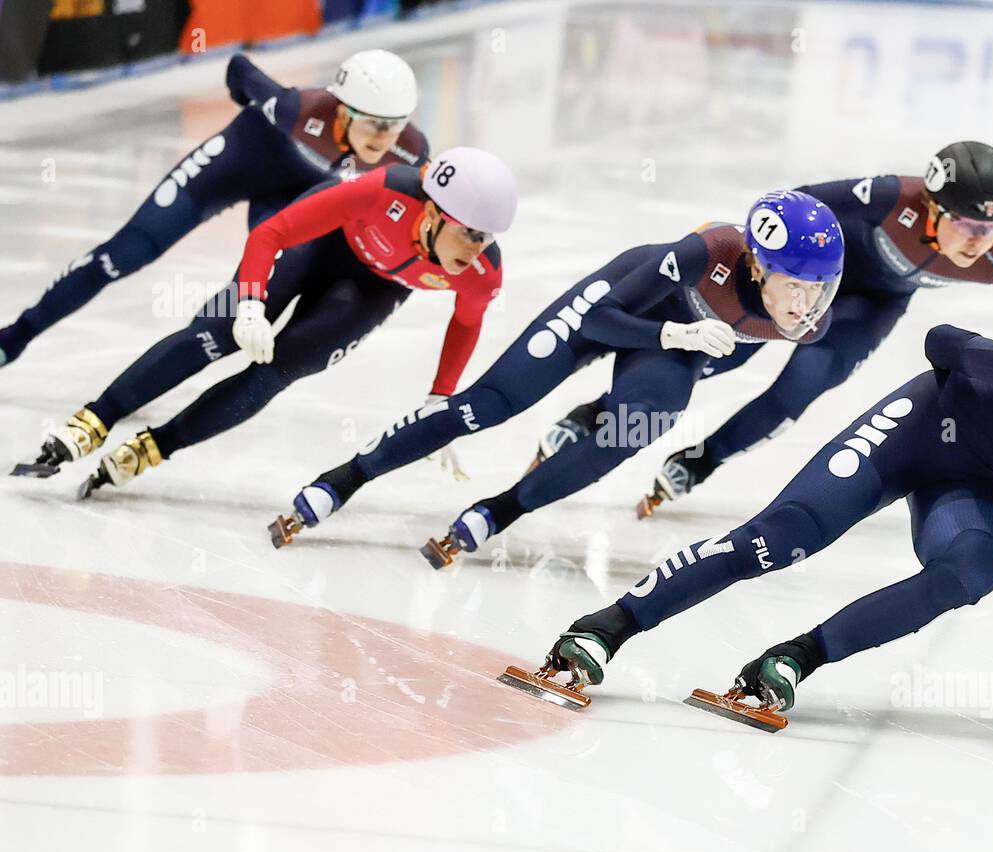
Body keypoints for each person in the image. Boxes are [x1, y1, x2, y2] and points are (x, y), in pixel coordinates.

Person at [511, 308, 993, 730]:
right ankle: (605, 628)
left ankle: (791, 660)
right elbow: (943, 342)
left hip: (980, 481)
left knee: (969, 573)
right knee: (781, 539)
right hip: (916, 431)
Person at [269, 190, 844, 558]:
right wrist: (675, 334)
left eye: (819, 289)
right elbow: (603, 317)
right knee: (490, 405)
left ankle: (501, 509)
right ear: (756, 264)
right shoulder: (710, 250)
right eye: (796, 285)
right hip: (622, 307)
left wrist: (661, 376)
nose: (806, 303)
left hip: (677, 347)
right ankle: (346, 478)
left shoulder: (803, 321)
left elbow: (736, 355)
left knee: (636, 430)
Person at [526, 142, 993, 517]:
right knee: (720, 356)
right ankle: (598, 412)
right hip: (804, 281)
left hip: (872, 305)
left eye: (989, 229)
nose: (976, 242)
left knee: (802, 387)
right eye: (966, 224)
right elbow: (794, 201)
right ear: (931, 207)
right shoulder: (889, 198)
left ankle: (702, 461)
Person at [12, 147, 516, 499]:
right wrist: (251, 302)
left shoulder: (481, 274)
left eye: (487, 238)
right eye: (470, 234)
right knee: (219, 330)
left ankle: (155, 448)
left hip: (369, 290)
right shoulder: (382, 191)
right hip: (317, 243)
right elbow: (272, 232)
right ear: (431, 212)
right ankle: (96, 418)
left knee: (278, 371)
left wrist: (440, 396)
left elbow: (466, 324)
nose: (477, 250)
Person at [0, 49, 427, 367]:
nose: (383, 136)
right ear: (341, 109)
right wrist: (245, 105)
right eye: (373, 122)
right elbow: (239, 68)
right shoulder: (298, 110)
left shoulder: (410, 152)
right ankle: (12, 339)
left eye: (395, 125)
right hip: (236, 163)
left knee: (251, 291)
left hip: (289, 197)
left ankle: (160, 368)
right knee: (124, 253)